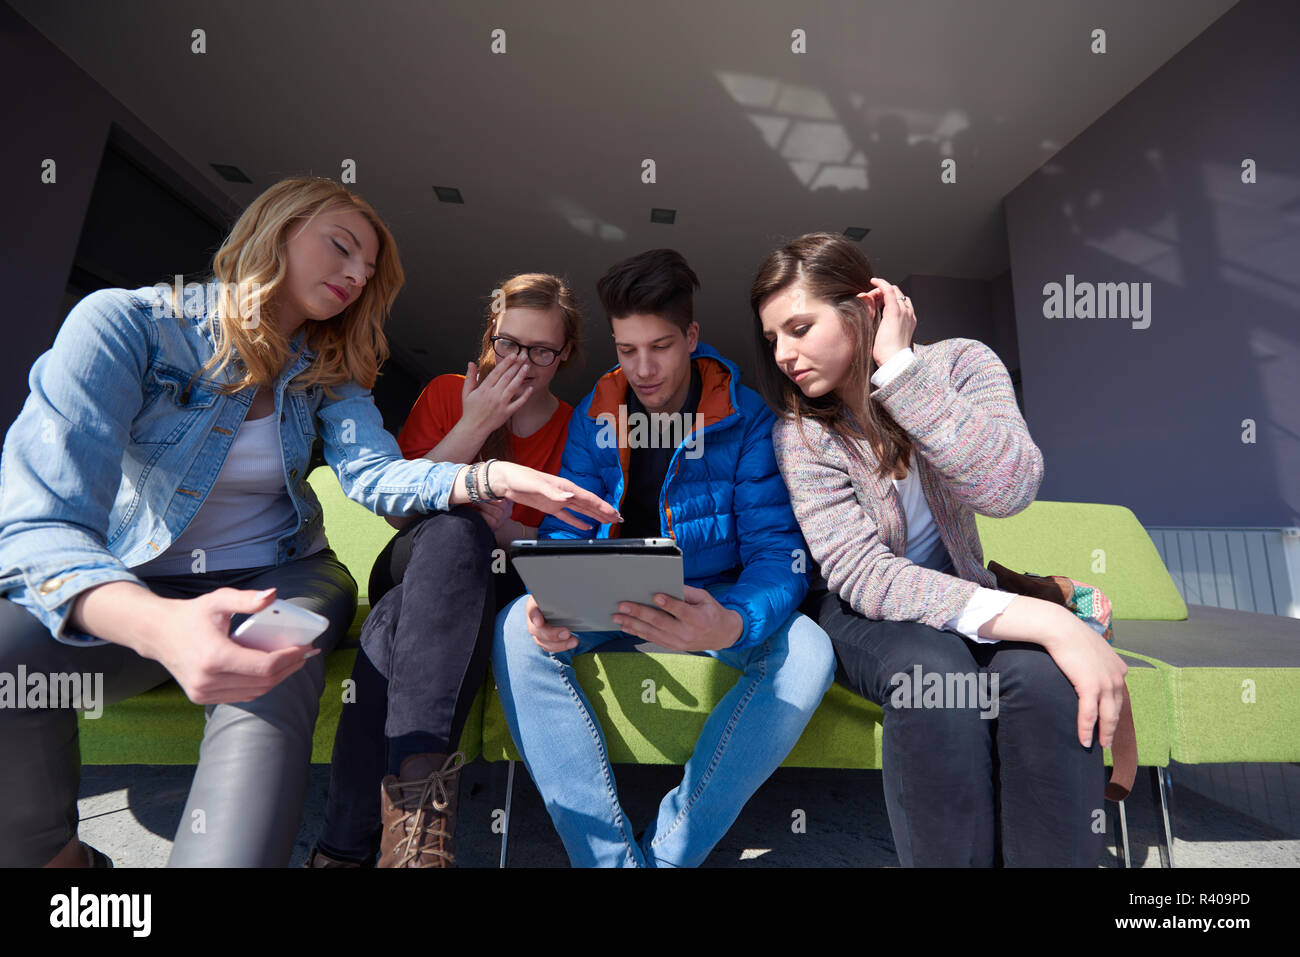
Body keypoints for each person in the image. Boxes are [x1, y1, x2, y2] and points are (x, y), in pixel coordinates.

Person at [0, 177, 616, 868]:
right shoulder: (124, 323)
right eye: (342, 247)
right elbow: (35, 525)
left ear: (566, 357)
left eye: (369, 269)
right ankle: (65, 866)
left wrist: (500, 506)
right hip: (141, 578)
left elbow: (379, 475)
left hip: (288, 574)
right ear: (276, 228)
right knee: (8, 644)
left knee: (303, 648)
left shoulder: (331, 372)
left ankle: (371, 842)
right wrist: (480, 455)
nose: (356, 274)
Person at [751, 232, 1128, 866]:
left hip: (963, 591)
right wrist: (1043, 618)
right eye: (773, 339)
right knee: (934, 678)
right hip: (861, 612)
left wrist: (901, 372)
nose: (785, 355)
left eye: (799, 327)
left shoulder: (959, 366)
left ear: (865, 307)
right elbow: (862, 573)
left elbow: (1008, 487)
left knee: (1041, 680)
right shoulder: (800, 434)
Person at [491, 248, 836, 868]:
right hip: (612, 603)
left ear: (692, 338)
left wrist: (731, 622)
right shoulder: (596, 414)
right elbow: (568, 528)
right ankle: (609, 862)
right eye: (627, 350)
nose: (644, 369)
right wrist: (554, 596)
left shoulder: (748, 417)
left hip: (711, 603)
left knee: (808, 650)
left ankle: (674, 853)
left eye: (662, 346)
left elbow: (778, 553)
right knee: (518, 629)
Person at [308, 273, 582, 868]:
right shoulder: (444, 393)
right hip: (415, 556)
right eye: (509, 343)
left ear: (564, 356)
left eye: (541, 350)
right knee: (456, 528)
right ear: (490, 335)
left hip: (506, 576)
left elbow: (579, 540)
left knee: (390, 621)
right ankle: (418, 836)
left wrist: (511, 529)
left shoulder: (576, 427)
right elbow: (401, 509)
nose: (523, 362)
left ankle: (347, 851)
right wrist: (475, 423)